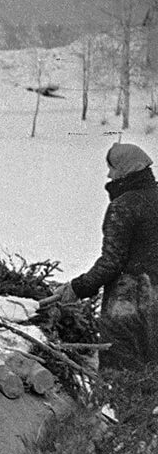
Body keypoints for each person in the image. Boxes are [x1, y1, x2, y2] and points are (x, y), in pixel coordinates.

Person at [47, 143, 158, 368]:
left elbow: (112, 262)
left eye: (113, 167)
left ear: (126, 170)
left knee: (121, 366)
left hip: (130, 300)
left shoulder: (124, 206)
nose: (109, 174)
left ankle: (115, 403)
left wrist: (77, 288)